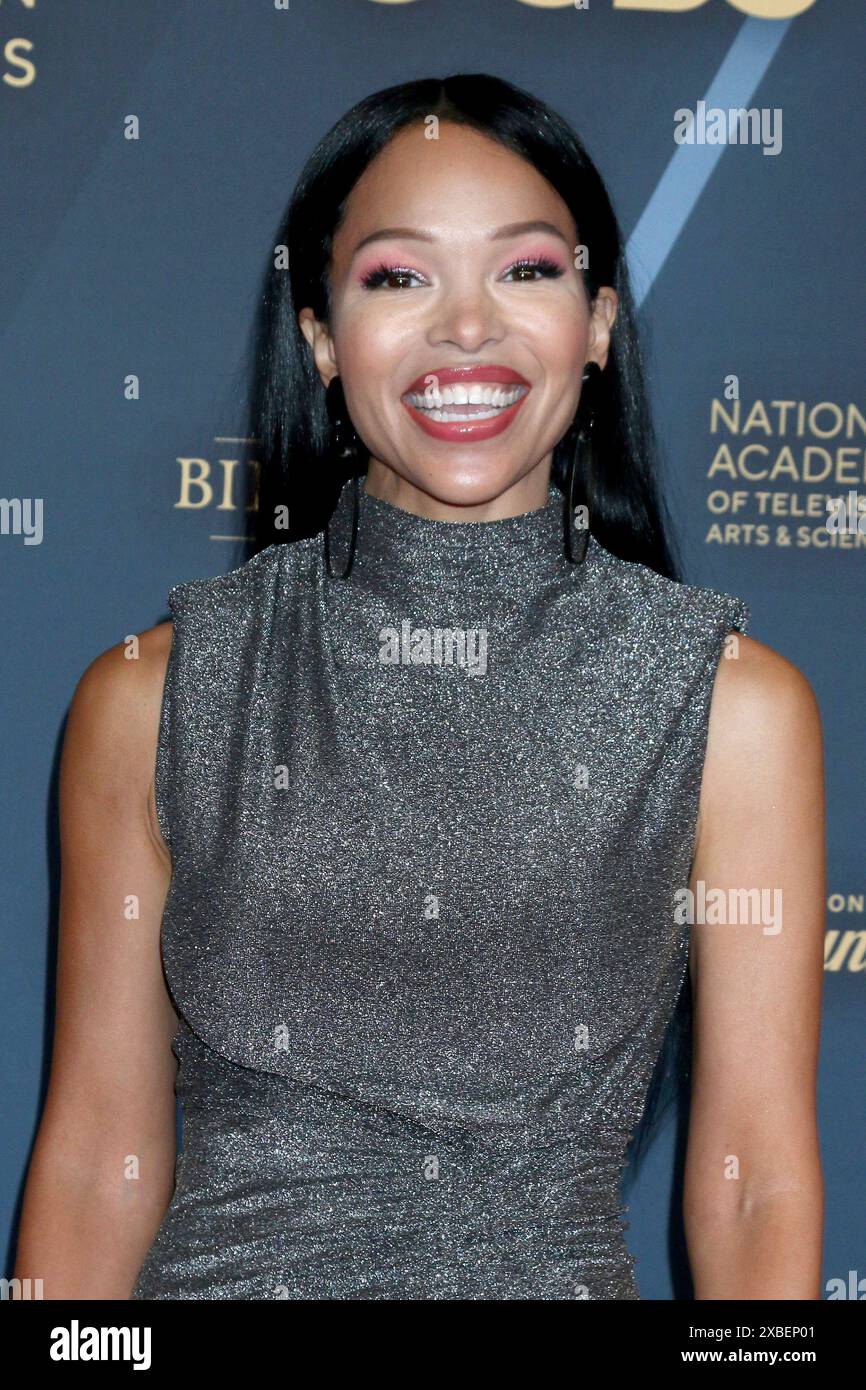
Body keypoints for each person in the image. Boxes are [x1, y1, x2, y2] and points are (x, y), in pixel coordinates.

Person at [14, 74, 825, 1300]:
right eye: (399, 277)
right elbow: (94, 1164)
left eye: (526, 271)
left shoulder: (726, 706)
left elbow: (749, 1176)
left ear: (596, 321)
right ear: (321, 337)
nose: (465, 329)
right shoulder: (154, 697)